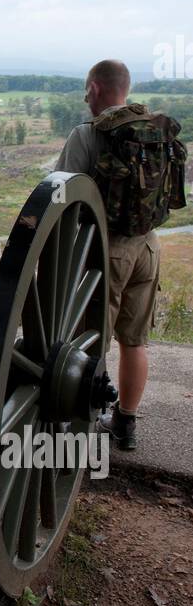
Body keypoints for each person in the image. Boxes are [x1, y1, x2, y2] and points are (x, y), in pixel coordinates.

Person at [56, 58, 187, 451]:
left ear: (95, 88)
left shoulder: (89, 135)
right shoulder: (155, 131)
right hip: (148, 245)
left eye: (86, 89)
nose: (85, 96)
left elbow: (61, 201)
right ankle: (125, 423)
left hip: (105, 251)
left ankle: (76, 428)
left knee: (89, 340)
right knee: (136, 340)